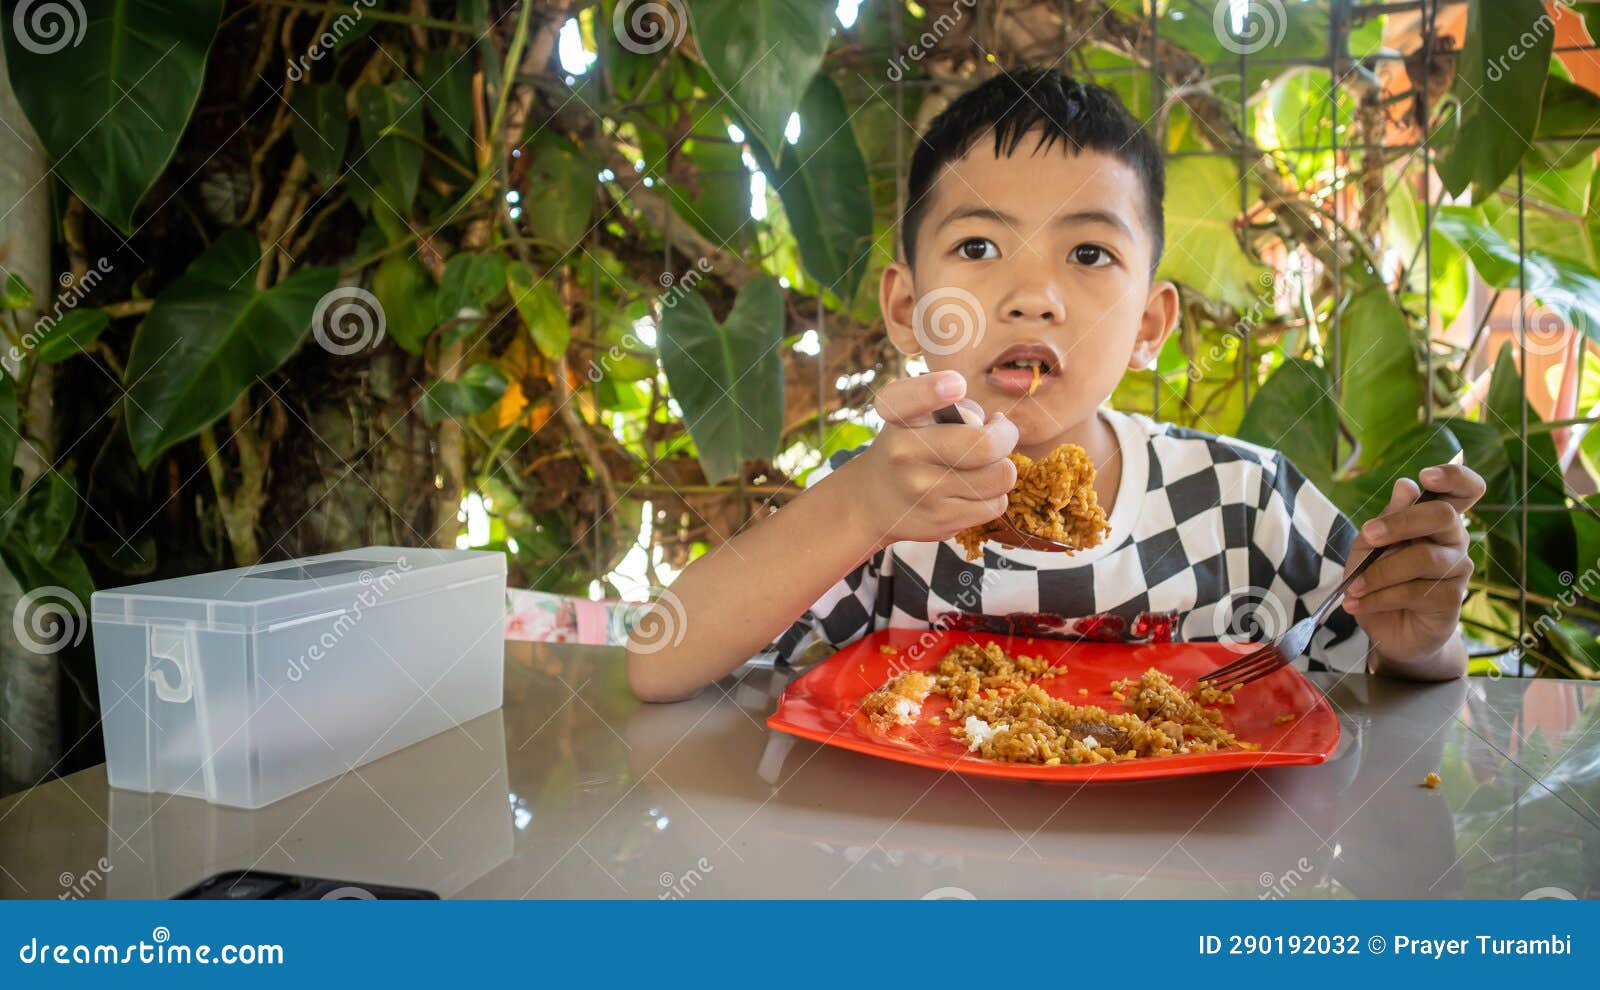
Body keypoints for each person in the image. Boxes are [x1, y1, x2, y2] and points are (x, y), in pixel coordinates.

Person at [627, 68, 1483, 703]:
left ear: (1151, 325)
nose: (1033, 295)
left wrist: (1419, 644)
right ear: (904, 307)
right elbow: (658, 663)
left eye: (1087, 254)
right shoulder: (884, 510)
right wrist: (855, 508)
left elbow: (1393, 689)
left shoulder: (1240, 500)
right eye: (977, 248)